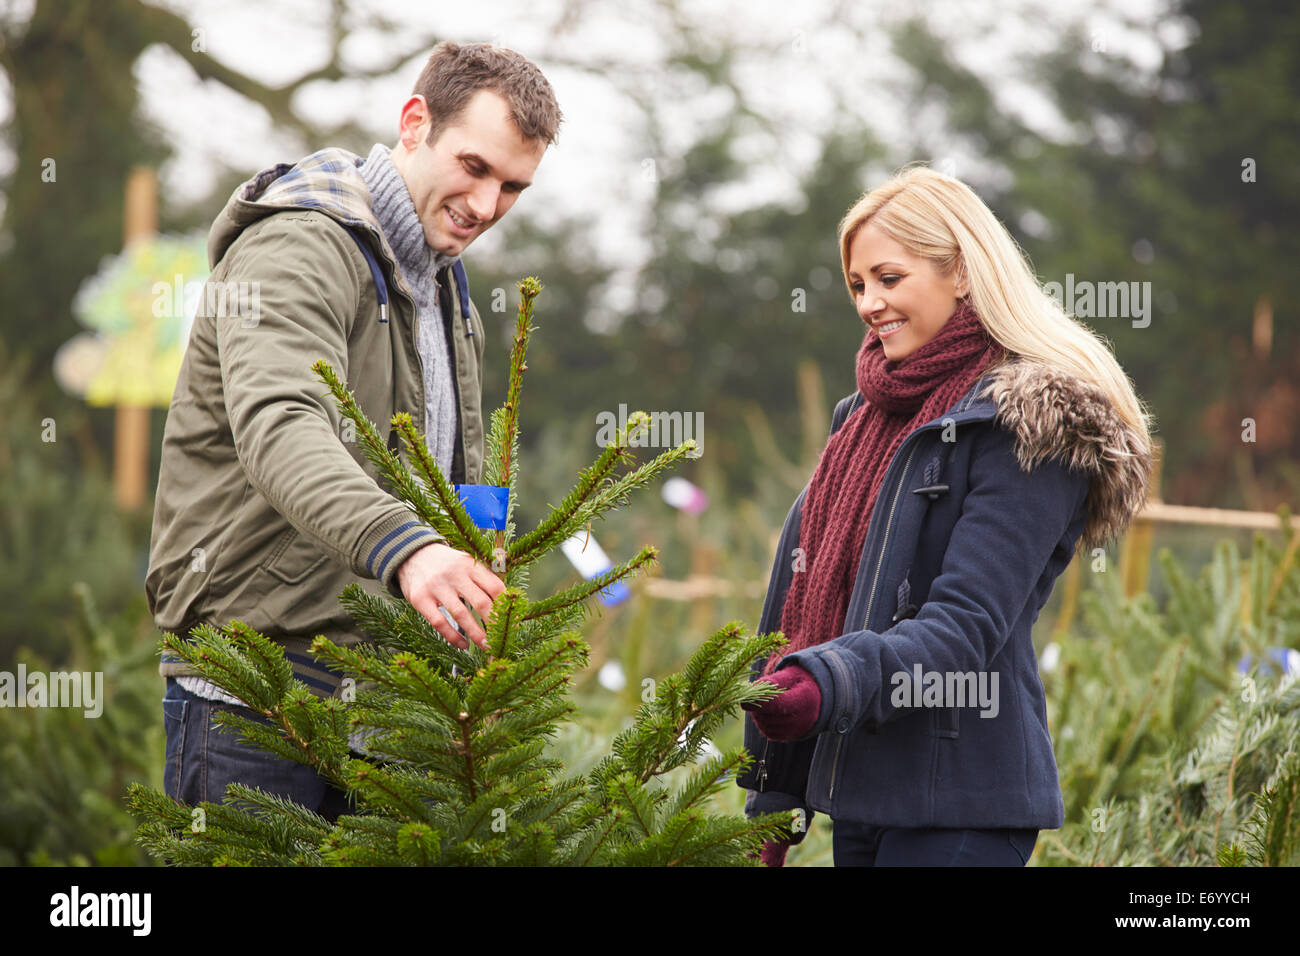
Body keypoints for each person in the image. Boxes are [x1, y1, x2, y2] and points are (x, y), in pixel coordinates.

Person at [145, 42, 562, 821]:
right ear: (414, 123)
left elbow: (449, 476)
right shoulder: (296, 247)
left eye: (513, 186)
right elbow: (282, 423)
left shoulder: (446, 292)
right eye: (473, 166)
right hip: (258, 689)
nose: (487, 203)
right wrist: (409, 549)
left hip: (391, 699)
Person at [737, 165, 1156, 866]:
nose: (870, 302)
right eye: (857, 286)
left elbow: (964, 628)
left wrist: (825, 683)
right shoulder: (863, 423)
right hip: (860, 797)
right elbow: (795, 600)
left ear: (961, 272)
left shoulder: (1027, 425)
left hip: (960, 808)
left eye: (889, 278)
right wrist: (774, 791)